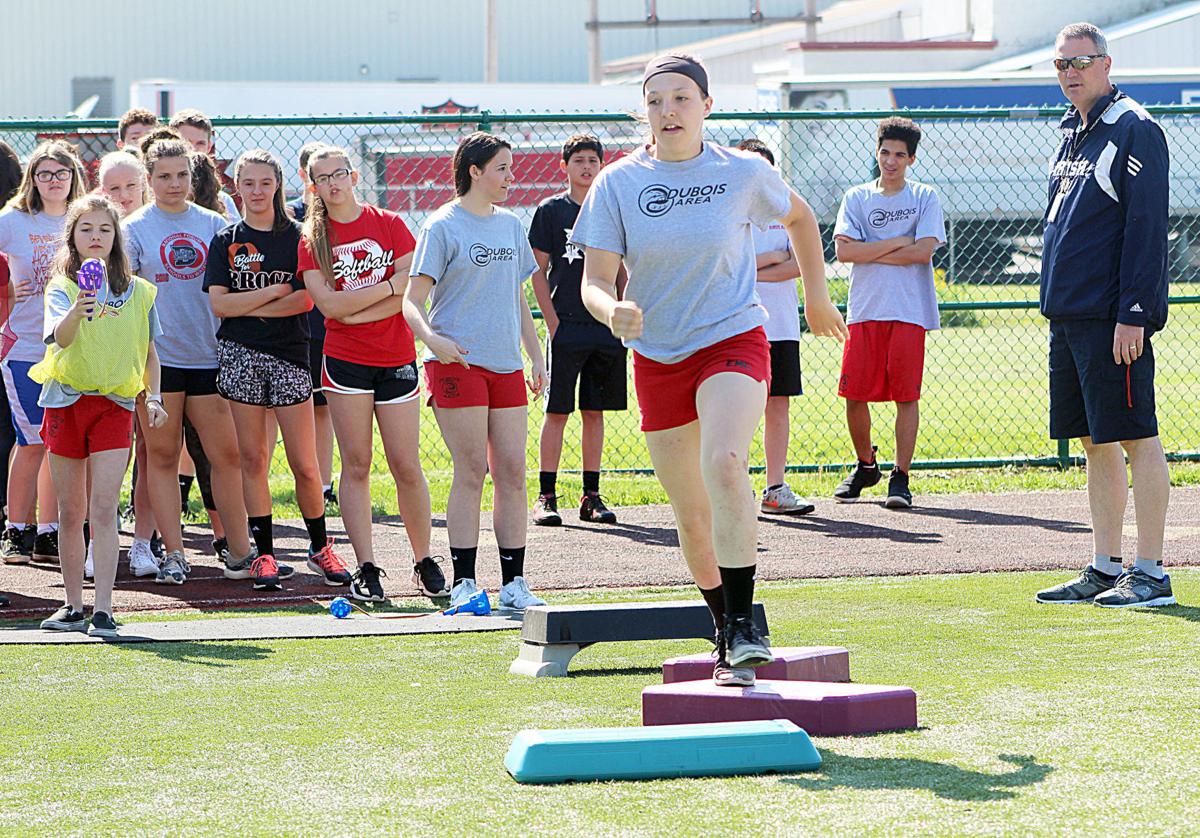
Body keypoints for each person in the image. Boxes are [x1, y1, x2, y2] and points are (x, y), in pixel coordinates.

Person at [571, 54, 847, 685]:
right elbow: (593, 280)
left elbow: (801, 220)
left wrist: (817, 295)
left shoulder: (742, 171)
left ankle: (748, 624)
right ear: (643, 111)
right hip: (658, 355)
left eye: (681, 98)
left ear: (706, 106)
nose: (668, 111)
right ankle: (725, 629)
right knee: (690, 513)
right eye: (656, 101)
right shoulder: (617, 183)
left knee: (723, 462)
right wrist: (612, 308)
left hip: (732, 335)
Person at [1035, 23, 1175, 608]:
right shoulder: (1073, 130)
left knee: (1137, 436)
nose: (1070, 73)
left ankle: (1151, 573)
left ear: (1106, 63)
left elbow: (1145, 230)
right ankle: (1104, 564)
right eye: (1061, 64)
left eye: (1081, 62)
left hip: (1111, 318)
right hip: (1068, 314)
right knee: (1095, 441)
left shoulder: (1135, 128)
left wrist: (1134, 314)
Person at [405, 132, 548, 612]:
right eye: (503, 168)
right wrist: (434, 341)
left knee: (513, 472)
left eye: (511, 167)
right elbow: (412, 303)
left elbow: (517, 299)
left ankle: (514, 583)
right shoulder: (441, 226)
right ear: (475, 171)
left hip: (506, 365)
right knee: (472, 470)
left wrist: (536, 355)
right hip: (457, 364)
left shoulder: (511, 226)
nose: (512, 177)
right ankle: (465, 580)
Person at [298, 145, 446, 602]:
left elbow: (409, 286)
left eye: (339, 173)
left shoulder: (390, 223)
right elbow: (330, 306)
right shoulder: (312, 239)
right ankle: (366, 566)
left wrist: (359, 305)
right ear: (313, 186)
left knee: (406, 465)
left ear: (354, 174)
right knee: (356, 463)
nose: (333, 183)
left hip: (396, 356)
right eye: (323, 178)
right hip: (346, 362)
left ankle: (423, 560)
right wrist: (384, 292)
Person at [123, 138, 266, 586]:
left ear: (194, 176)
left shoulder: (215, 223)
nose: (173, 183)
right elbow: (124, 297)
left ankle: (241, 552)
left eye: (182, 175)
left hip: (211, 356)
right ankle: (175, 553)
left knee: (227, 455)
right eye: (163, 176)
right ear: (148, 179)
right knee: (162, 457)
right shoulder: (132, 228)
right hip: (159, 363)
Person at [205, 149, 348, 587]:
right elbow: (219, 303)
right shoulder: (225, 239)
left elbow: (304, 300)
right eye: (247, 183)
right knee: (254, 458)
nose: (256, 191)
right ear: (237, 186)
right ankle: (263, 554)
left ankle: (320, 547)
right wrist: (273, 294)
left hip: (289, 355)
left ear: (278, 184)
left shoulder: (300, 237)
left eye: (265, 183)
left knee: (305, 464)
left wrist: (251, 305)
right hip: (240, 354)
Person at [31, 194, 167, 636]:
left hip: (115, 404)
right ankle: (72, 605)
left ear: (116, 237)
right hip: (66, 403)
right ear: (72, 235)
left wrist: (154, 397)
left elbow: (150, 353)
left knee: (104, 507)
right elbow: (60, 338)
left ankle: (104, 609)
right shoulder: (62, 287)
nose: (96, 237)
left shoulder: (139, 290)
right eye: (86, 229)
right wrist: (79, 306)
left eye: (105, 229)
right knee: (71, 510)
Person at [831, 117, 945, 509]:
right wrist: (898, 240)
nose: (891, 161)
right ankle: (866, 465)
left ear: (911, 158)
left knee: (905, 396)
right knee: (854, 394)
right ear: (876, 152)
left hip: (909, 311)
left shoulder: (924, 197)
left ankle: (901, 477)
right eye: (885, 152)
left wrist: (872, 247)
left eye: (899, 154)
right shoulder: (857, 197)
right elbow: (844, 252)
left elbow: (923, 252)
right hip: (864, 311)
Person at [529, 134, 626, 527]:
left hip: (604, 328)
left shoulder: (611, 209)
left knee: (594, 411)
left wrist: (621, 314)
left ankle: (591, 496)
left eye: (593, 160)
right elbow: (536, 271)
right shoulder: (551, 211)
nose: (586, 167)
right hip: (566, 326)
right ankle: (547, 495)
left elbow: (622, 269)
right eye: (579, 160)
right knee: (557, 412)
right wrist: (552, 322)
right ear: (565, 165)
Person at [0, 141, 86, 567]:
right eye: (44, 173)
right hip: (26, 345)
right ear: (31, 179)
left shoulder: (84, 219)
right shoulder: (13, 220)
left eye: (61, 173)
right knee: (32, 439)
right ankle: (18, 528)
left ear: (74, 176)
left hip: (75, 348)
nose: (53, 181)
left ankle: (49, 532)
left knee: (61, 443)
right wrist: (8, 293)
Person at [736, 138, 815, 516]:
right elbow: (731, 269)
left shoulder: (788, 214)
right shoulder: (730, 215)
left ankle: (774, 487)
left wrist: (755, 265)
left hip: (781, 326)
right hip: (739, 326)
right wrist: (769, 258)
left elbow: (798, 264)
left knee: (777, 405)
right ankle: (734, 487)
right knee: (736, 410)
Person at [287, 140, 338, 510]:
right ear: (306, 177)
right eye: (318, 175)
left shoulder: (348, 215)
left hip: (329, 324)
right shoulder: (291, 218)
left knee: (324, 407)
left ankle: (324, 483)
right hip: (294, 323)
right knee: (286, 408)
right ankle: (297, 482)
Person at [169, 109, 241, 220]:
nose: (193, 149)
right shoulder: (159, 195)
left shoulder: (223, 201)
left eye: (200, 143)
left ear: (209, 147)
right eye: (186, 142)